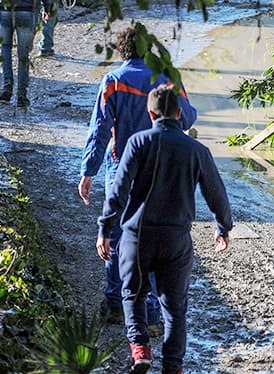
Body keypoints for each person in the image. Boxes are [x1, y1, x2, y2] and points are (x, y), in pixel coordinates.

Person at [96, 85, 232, 374]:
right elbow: (216, 193)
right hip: (176, 240)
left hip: (137, 236)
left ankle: (141, 349)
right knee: (175, 309)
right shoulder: (197, 150)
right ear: (180, 114)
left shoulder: (138, 142)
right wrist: (223, 227)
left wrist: (105, 227)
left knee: (132, 293)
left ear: (150, 113)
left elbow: (118, 191)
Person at [79, 25, 197, 332]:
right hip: (162, 168)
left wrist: (88, 171)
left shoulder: (113, 81)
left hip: (122, 168)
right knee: (156, 237)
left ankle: (115, 305)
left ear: (121, 51)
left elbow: (100, 130)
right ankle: (154, 317)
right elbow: (189, 116)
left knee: (118, 237)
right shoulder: (167, 77)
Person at [0, 0, 51, 107]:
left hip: (5, 10)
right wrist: (47, 8)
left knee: (5, 47)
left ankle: (7, 85)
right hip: (26, 10)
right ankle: (21, 95)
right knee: (23, 53)